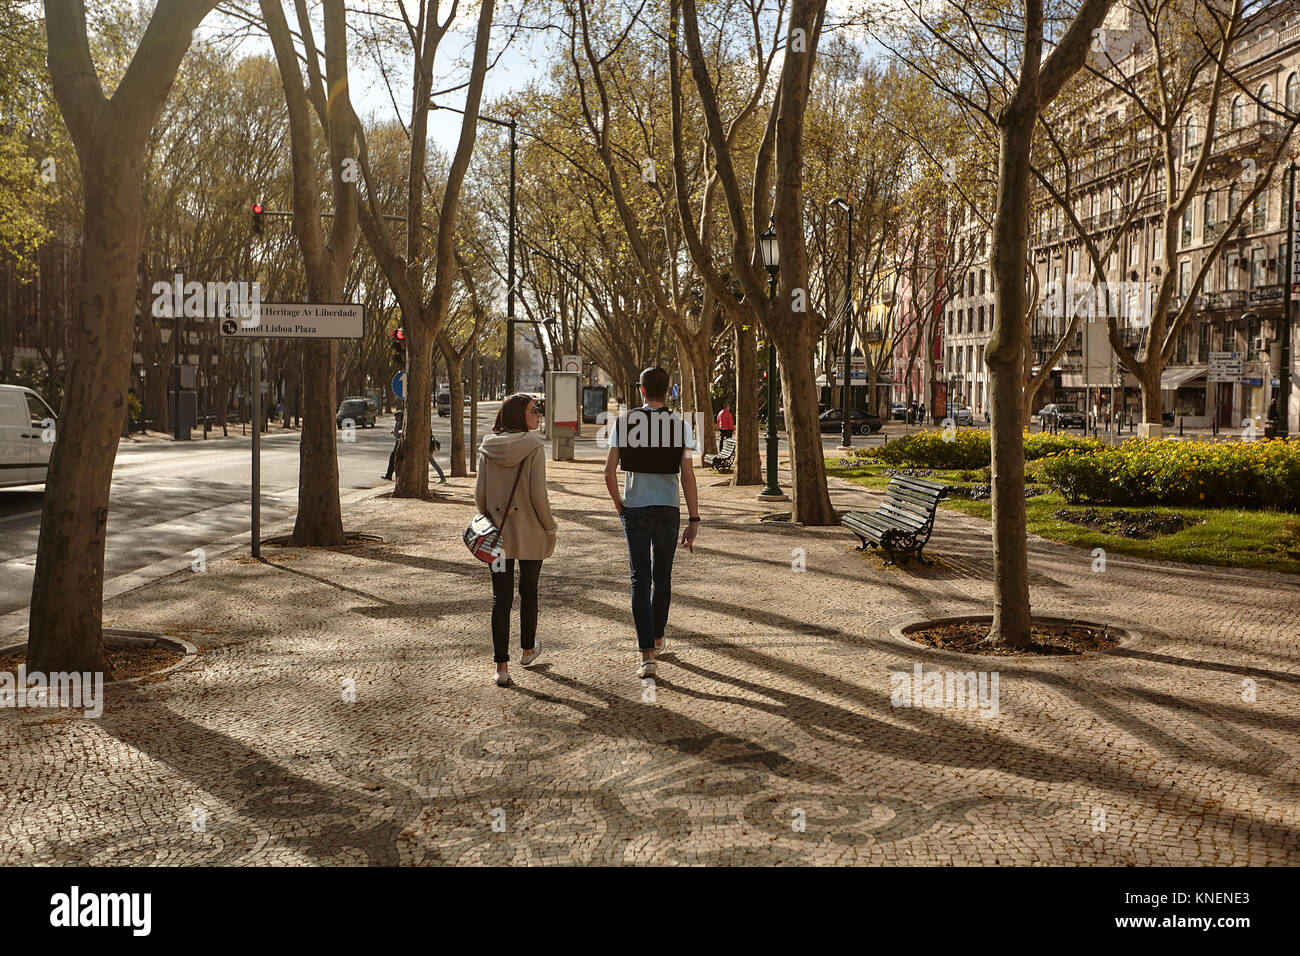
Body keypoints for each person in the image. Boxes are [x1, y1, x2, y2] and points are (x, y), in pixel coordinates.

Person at [605, 366, 700, 679]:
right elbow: (687, 474)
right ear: (668, 389)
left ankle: (646, 654)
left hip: (635, 509)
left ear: (642, 390)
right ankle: (658, 637)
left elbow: (608, 473)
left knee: (639, 579)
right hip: (668, 510)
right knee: (663, 577)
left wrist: (621, 505)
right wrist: (694, 518)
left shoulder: (624, 422)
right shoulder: (680, 426)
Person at [475, 394, 556, 686]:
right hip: (531, 531)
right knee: (530, 591)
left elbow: (480, 499)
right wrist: (550, 527)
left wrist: (495, 520)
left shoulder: (487, 448)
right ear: (518, 416)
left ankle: (501, 667)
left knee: (501, 598)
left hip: (498, 536)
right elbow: (538, 496)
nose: (538, 415)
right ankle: (527, 649)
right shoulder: (534, 447)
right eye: (534, 410)